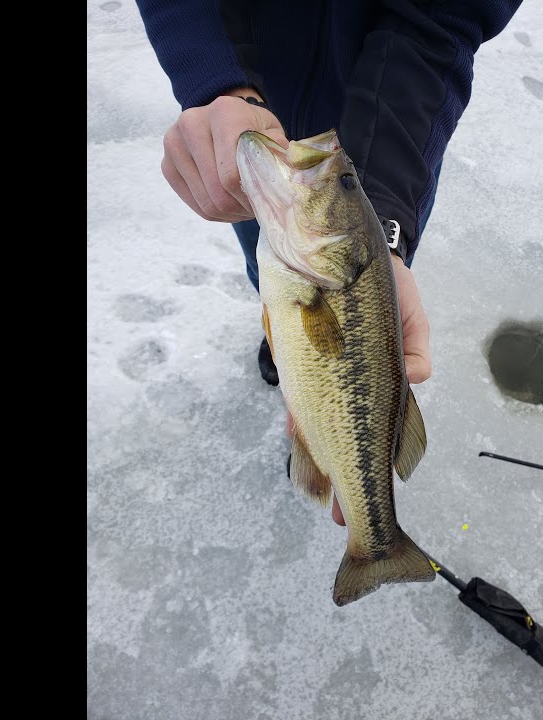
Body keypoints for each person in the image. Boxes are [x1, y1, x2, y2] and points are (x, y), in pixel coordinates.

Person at [136, 0, 522, 524]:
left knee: (354, 280)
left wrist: (383, 222)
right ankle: (283, 347)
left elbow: (442, 18)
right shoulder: (293, 195)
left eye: (340, 180)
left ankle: (324, 430)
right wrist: (216, 79)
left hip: (394, 144)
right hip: (256, 124)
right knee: (269, 263)